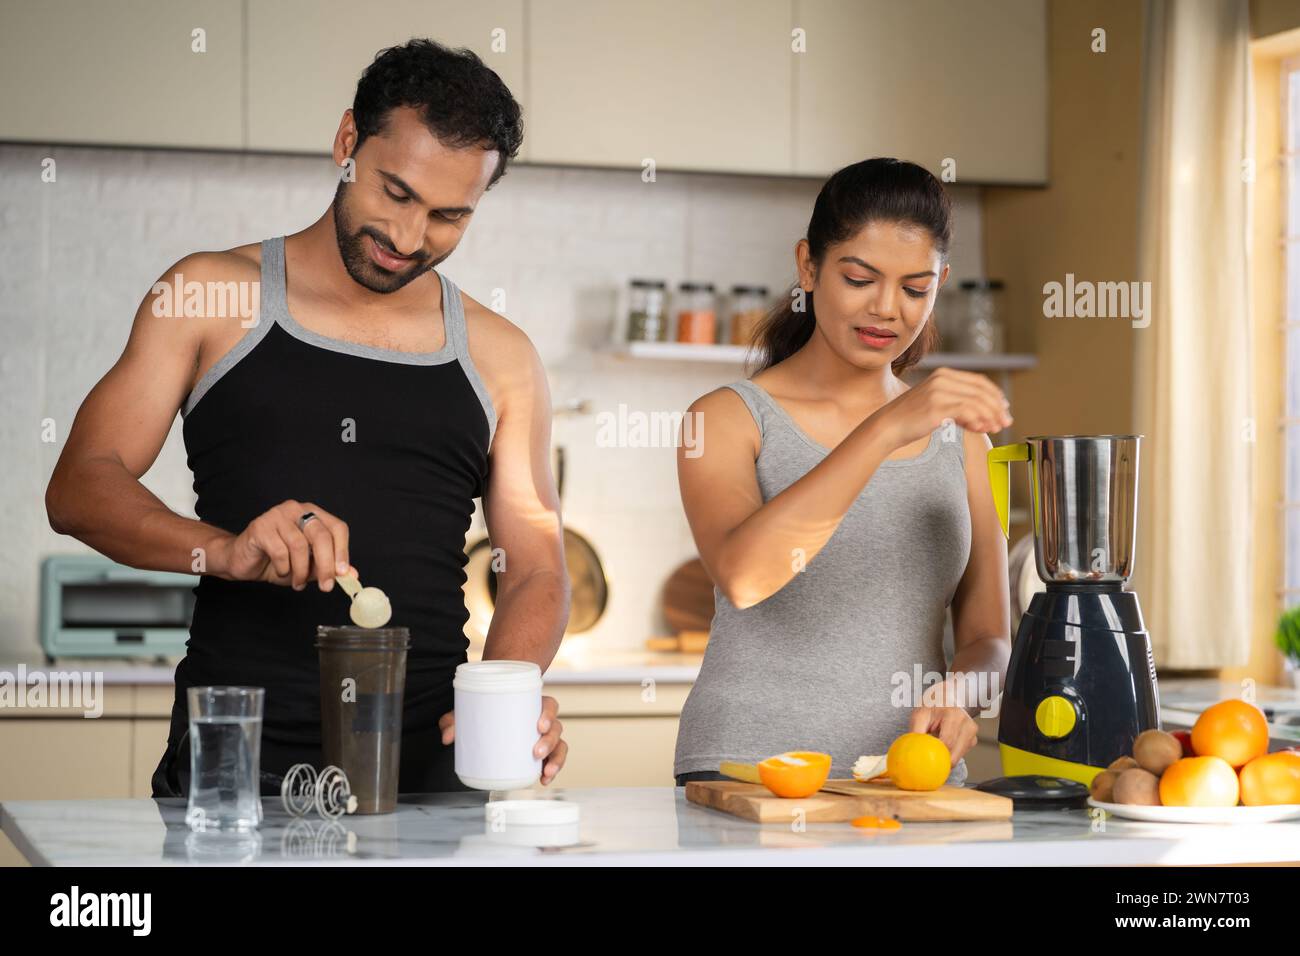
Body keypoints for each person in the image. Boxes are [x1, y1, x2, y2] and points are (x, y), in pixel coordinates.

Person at [45, 39, 570, 796]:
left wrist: (506, 693)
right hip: (233, 771)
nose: (410, 238)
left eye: (450, 216)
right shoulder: (210, 294)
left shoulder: (501, 354)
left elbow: (538, 564)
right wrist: (222, 551)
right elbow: (80, 486)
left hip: (426, 781)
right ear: (348, 143)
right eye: (395, 193)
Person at [673, 158, 1012, 788]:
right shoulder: (726, 419)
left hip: (912, 777)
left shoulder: (963, 440)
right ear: (808, 266)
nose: (886, 309)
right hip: (749, 771)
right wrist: (885, 428)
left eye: (916, 289)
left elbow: (990, 635)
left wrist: (963, 691)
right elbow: (745, 576)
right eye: (860, 278)